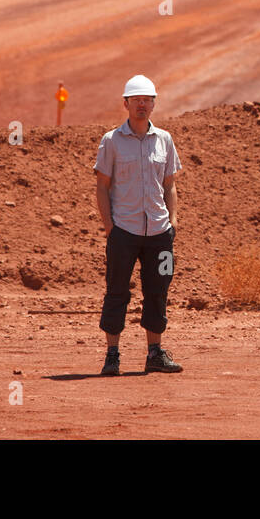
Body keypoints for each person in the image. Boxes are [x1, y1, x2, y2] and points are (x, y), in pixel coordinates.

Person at [94, 74, 183, 374]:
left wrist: (172, 221)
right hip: (124, 232)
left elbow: (169, 184)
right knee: (117, 290)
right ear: (126, 104)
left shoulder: (165, 140)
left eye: (147, 99)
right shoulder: (112, 141)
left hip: (159, 233)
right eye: (136, 100)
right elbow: (102, 187)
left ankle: (154, 354)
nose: (142, 105)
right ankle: (112, 356)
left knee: (158, 290)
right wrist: (110, 228)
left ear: (154, 104)